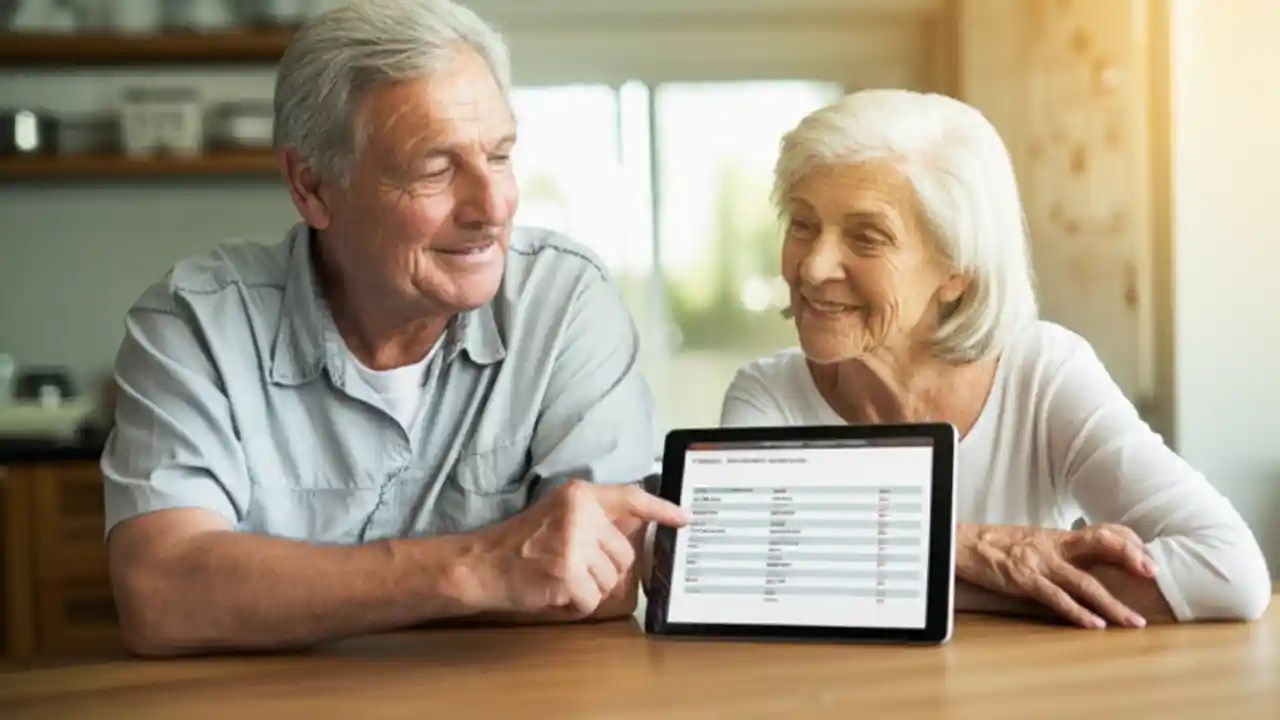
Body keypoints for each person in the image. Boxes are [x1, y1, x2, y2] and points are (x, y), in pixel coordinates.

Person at [101, 0, 688, 657]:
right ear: (312, 187)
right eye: (434, 169)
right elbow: (163, 596)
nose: (493, 207)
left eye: (499, 155)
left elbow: (603, 579)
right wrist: (481, 567)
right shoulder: (196, 323)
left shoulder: (564, 299)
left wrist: (292, 599)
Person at [721, 89, 1271, 628]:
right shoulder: (769, 397)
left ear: (958, 270)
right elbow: (729, 572)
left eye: (866, 237)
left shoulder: (1042, 374)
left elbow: (1228, 571)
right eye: (802, 224)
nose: (813, 268)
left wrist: (1010, 581)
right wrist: (974, 550)